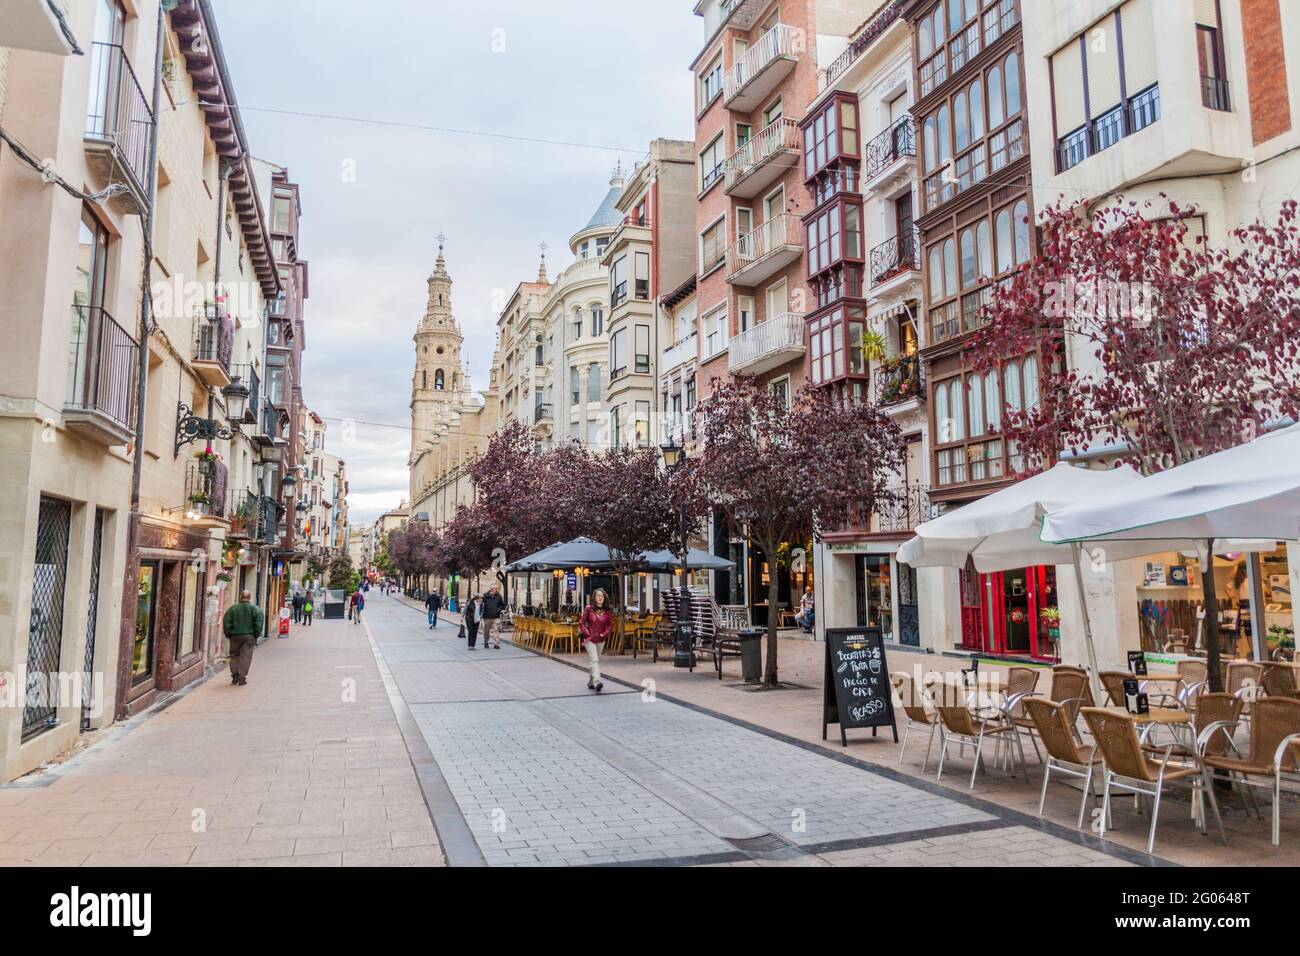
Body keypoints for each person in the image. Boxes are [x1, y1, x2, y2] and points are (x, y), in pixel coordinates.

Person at [223, 589, 264, 686]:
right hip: (249, 636)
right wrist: (256, 635)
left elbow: (226, 622)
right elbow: (259, 624)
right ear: (249, 597)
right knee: (246, 657)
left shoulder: (233, 609)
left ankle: (235, 676)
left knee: (234, 655)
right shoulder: (256, 609)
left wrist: (229, 634)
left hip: (235, 636)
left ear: (240, 597)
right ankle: (242, 678)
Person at [579, 588, 613, 693]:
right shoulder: (588, 609)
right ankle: (597, 682)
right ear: (594, 597)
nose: (600, 598)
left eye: (602, 596)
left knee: (595, 661)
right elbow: (581, 623)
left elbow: (610, 625)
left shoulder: (607, 611)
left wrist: (604, 634)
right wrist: (586, 632)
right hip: (590, 638)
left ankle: (590, 682)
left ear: (604, 598)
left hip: (601, 639)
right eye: (598, 595)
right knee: (595, 660)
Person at [480, 584, 505, 649]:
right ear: (491, 589)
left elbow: (502, 605)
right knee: (486, 630)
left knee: (496, 630)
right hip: (487, 616)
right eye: (495, 588)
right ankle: (486, 642)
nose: (496, 590)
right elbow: (481, 604)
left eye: (497, 588)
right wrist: (481, 614)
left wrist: (498, 610)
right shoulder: (485, 595)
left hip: (496, 616)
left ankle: (496, 644)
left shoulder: (499, 596)